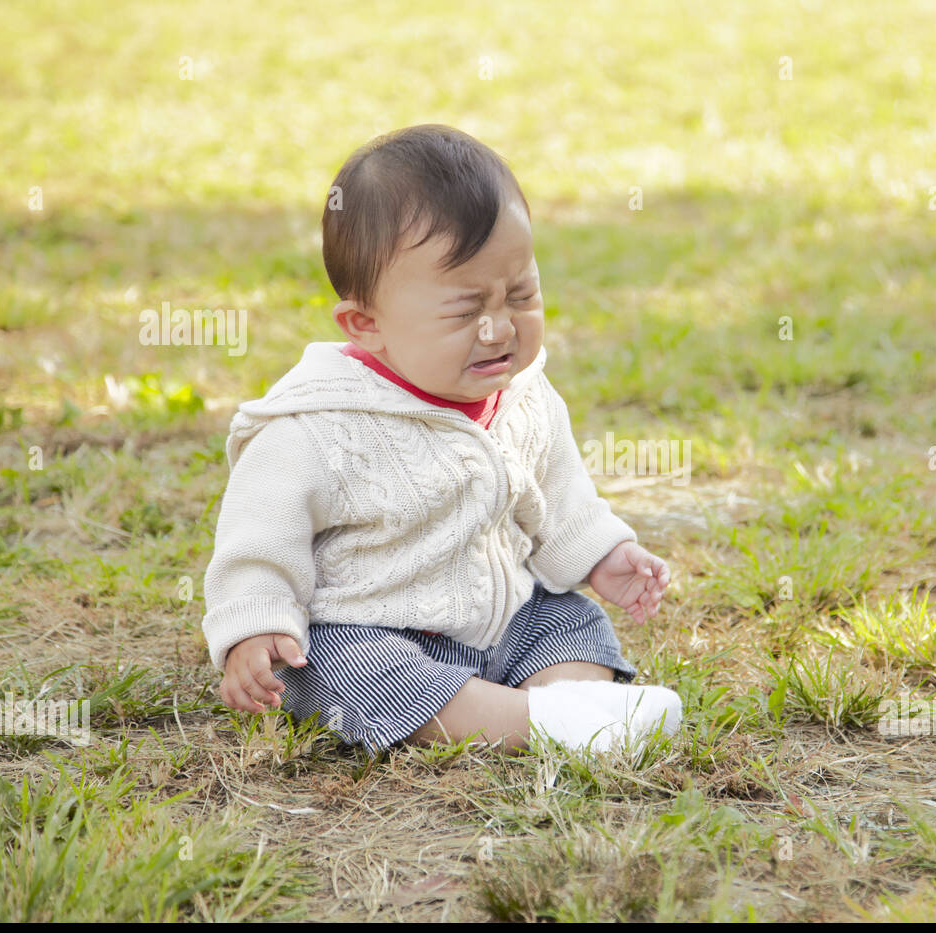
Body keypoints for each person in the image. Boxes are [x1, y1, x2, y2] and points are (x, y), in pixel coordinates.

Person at [202, 124, 681, 759]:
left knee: (567, 619)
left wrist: (601, 555)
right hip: (373, 630)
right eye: (463, 312)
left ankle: (557, 707)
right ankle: (546, 724)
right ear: (366, 324)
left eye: (521, 294)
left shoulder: (526, 398)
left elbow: (560, 495)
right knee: (348, 672)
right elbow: (257, 539)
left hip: (500, 621)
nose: (498, 327)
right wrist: (254, 626)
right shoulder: (317, 426)